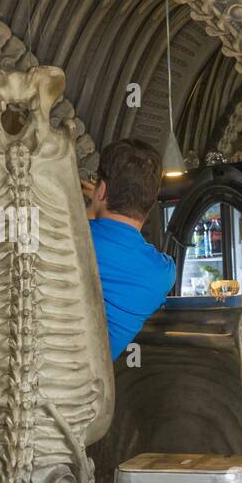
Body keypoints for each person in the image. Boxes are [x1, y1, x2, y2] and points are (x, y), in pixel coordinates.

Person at [80, 138, 177, 359]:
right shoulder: (164, 273)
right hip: (91, 385)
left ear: (102, 189)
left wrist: (89, 203)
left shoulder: (69, 238)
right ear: (151, 202)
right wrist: (97, 200)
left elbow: (76, 232)